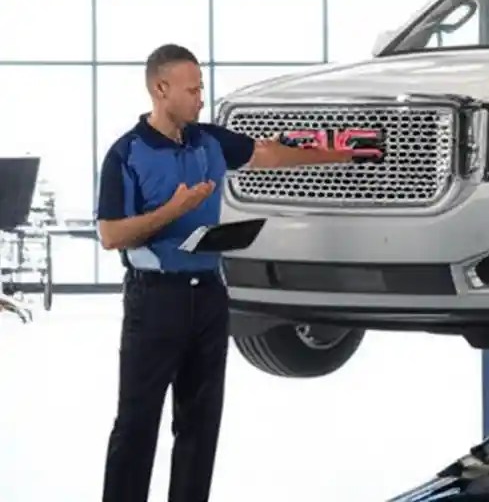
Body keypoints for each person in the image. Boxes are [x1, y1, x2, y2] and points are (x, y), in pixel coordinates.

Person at [96, 44, 356, 502]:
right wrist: (172, 211)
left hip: (210, 299)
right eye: (192, 89)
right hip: (154, 302)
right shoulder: (126, 154)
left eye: (201, 87)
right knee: (137, 425)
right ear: (160, 89)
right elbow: (112, 234)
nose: (201, 97)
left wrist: (341, 153)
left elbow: (271, 154)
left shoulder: (210, 141)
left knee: (200, 426)